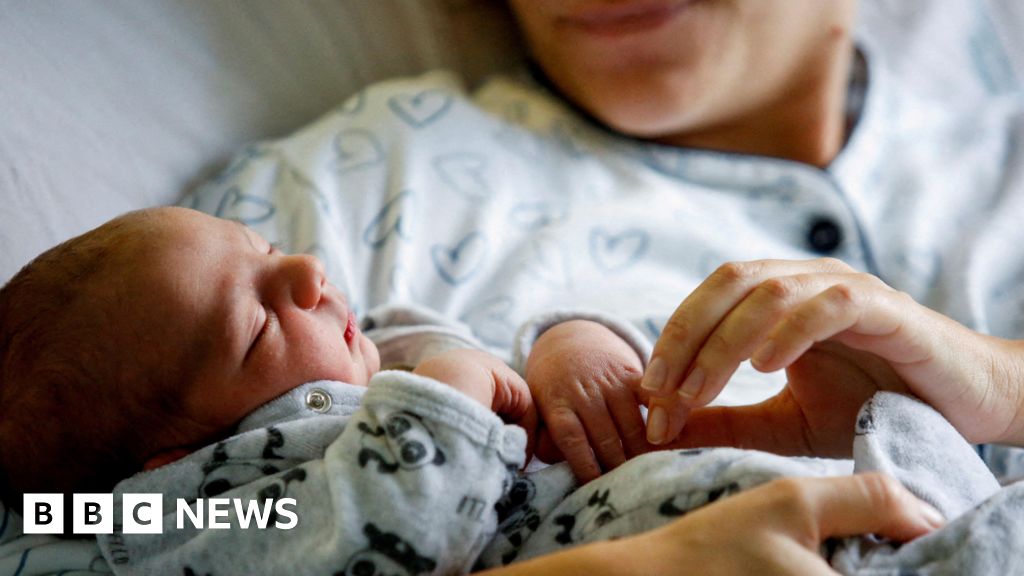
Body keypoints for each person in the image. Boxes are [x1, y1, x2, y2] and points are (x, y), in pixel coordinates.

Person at [0, 207, 962, 576]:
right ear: (175, 464)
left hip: (802, 492)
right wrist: (451, 396)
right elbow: (380, 541)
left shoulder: (375, 356)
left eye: (265, 248)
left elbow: (457, 345)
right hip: (736, 544)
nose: (306, 272)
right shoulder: (199, 512)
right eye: (254, 327)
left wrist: (568, 345)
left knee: (921, 442)